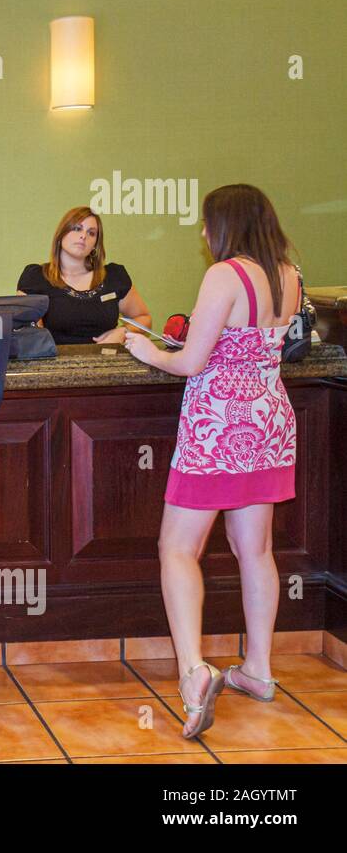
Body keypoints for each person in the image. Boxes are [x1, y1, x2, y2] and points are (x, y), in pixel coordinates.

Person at [125, 184, 299, 740]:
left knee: (177, 547)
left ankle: (193, 672)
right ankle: (259, 671)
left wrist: (146, 350)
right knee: (257, 551)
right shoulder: (288, 274)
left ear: (227, 225)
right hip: (269, 423)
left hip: (218, 427)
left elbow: (193, 361)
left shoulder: (225, 275)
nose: (203, 234)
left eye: (207, 224)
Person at [17, 206, 151, 345]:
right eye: (77, 228)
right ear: (61, 234)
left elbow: (144, 318)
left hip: (108, 362)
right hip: (54, 364)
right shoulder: (35, 278)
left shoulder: (114, 276)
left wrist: (124, 332)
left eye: (91, 233)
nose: (83, 236)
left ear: (95, 245)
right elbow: (29, 334)